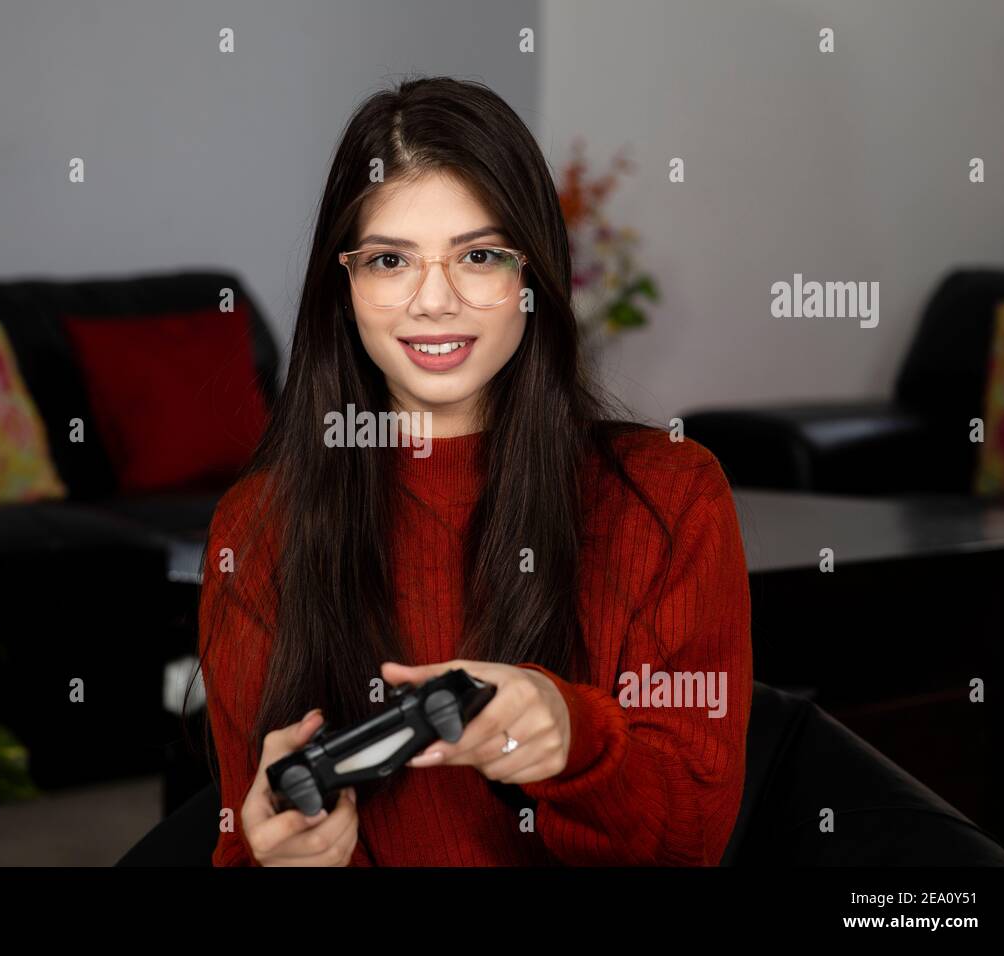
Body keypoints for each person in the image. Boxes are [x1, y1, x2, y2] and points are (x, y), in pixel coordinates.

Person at [193, 75, 752, 866]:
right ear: (344, 284)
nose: (434, 301)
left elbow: (693, 839)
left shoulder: (670, 494)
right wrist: (277, 857)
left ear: (531, 276)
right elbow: (243, 836)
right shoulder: (256, 527)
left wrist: (575, 737)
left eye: (479, 256)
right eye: (390, 260)